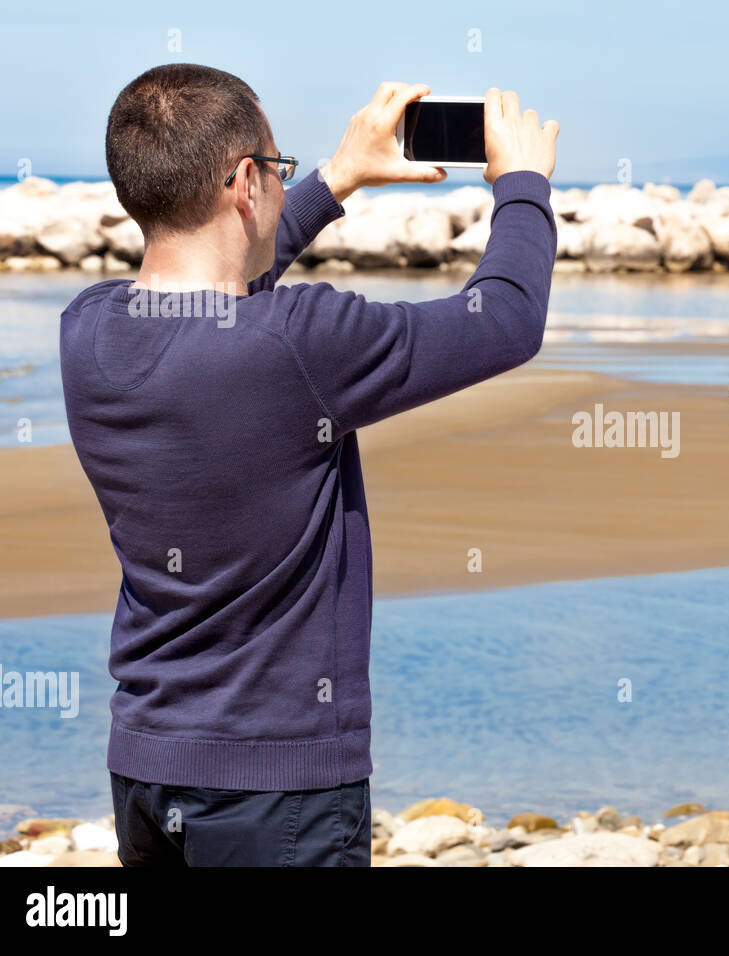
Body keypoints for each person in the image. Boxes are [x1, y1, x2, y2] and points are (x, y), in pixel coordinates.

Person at [59, 63, 559, 866]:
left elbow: (217, 283)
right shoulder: (298, 341)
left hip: (147, 769)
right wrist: (523, 184)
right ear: (245, 183)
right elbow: (504, 319)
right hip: (279, 790)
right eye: (277, 168)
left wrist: (336, 178)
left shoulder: (87, 332)